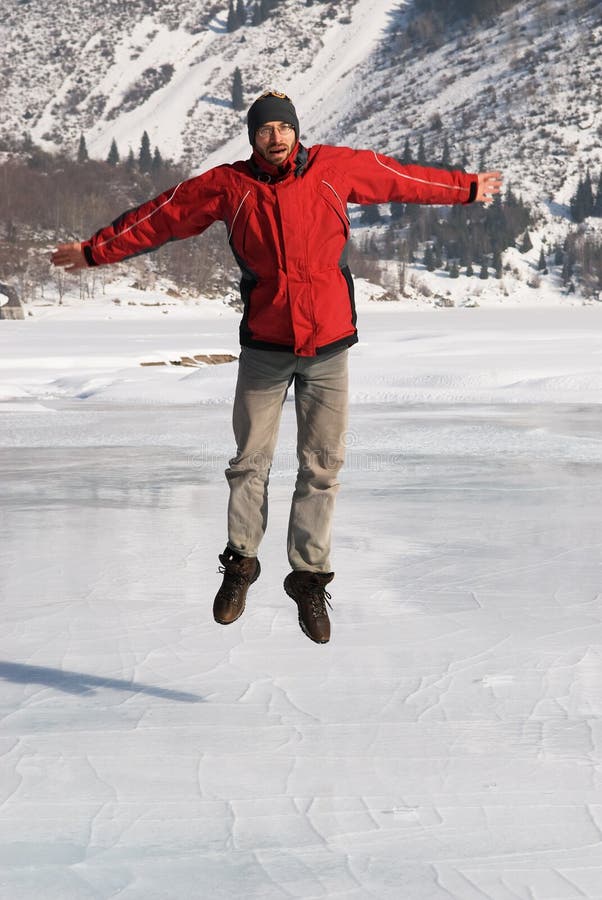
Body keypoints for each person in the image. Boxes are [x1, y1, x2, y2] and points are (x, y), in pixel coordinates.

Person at [52, 90, 502, 644]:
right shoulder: (229, 185)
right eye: (265, 129)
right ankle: (241, 564)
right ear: (253, 137)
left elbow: (399, 179)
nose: (275, 137)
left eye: (283, 128)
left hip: (328, 347)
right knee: (249, 462)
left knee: (322, 465)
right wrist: (95, 250)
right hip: (265, 347)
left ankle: (308, 579)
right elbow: (162, 216)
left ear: (296, 131)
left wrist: (466, 188)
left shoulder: (335, 169)